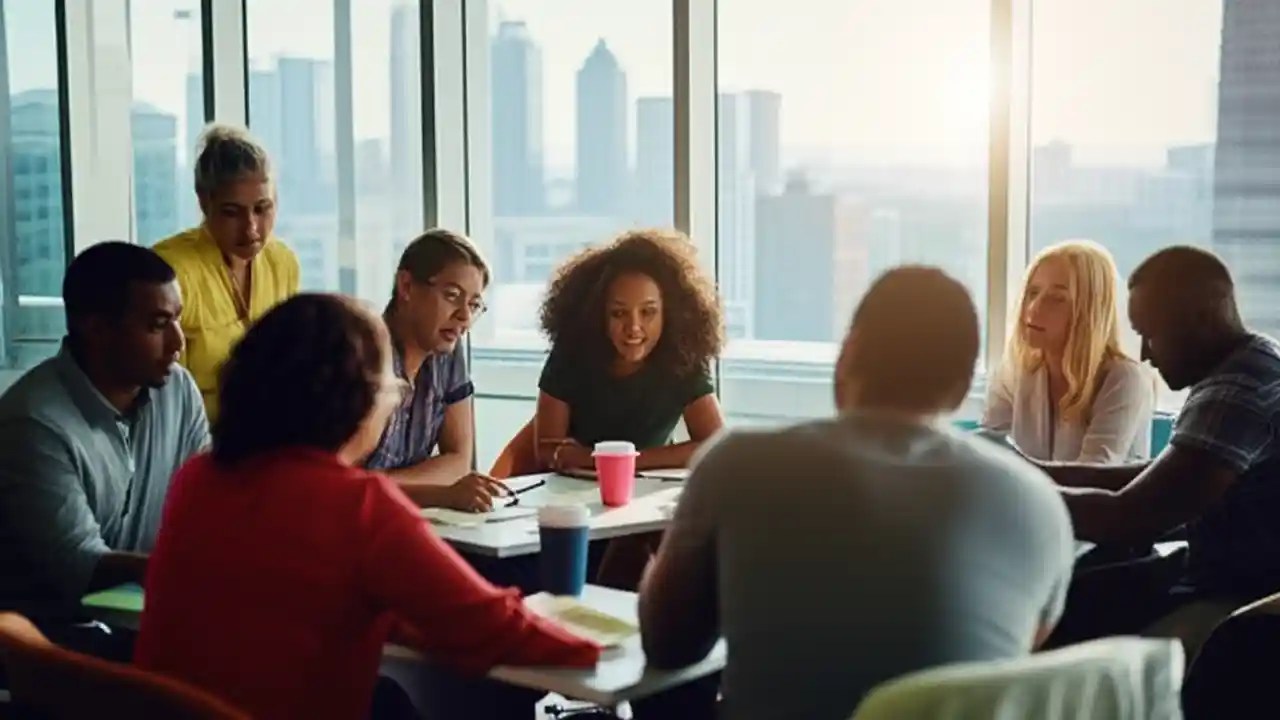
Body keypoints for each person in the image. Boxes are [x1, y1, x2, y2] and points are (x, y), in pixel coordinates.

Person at [134, 294, 599, 720]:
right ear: (356, 398)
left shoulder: (197, 479)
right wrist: (610, 648)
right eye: (389, 383)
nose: (395, 396)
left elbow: (290, 604)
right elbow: (490, 629)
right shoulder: (357, 505)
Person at [639, 267, 1075, 720]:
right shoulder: (1036, 503)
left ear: (849, 353)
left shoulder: (738, 462)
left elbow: (669, 646)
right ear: (964, 385)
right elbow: (1012, 654)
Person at [1034, 246, 1280, 646]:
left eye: (1151, 333)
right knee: (1080, 588)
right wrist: (1029, 470)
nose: (1146, 354)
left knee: (1061, 613)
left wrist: (1011, 492)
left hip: (1236, 589)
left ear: (1202, 320)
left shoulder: (1237, 391)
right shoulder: (1255, 360)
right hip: (1216, 567)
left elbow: (1131, 516)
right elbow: (1159, 477)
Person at [0, 242, 207, 659]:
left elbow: (205, 502)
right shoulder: (33, 423)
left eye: (177, 321)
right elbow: (78, 565)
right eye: (158, 324)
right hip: (51, 647)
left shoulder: (177, 390)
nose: (178, 342)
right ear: (96, 329)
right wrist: (190, 574)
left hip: (136, 627)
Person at [533, 229, 726, 473]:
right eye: (618, 313)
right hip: (573, 493)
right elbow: (547, 451)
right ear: (597, 315)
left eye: (648, 312)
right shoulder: (571, 353)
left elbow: (715, 444)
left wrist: (608, 460)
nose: (633, 328)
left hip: (647, 492)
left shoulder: (683, 357)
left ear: (671, 313)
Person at [153, 123, 299, 421]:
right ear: (204, 201)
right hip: (192, 437)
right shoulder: (172, 271)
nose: (251, 228)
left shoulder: (282, 262)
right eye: (232, 212)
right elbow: (155, 391)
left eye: (262, 208)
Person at [364, 229, 510, 511]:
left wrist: (383, 485)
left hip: (401, 520)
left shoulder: (448, 353)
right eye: (452, 295)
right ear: (406, 286)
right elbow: (341, 488)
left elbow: (458, 460)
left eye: (474, 304)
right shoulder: (362, 357)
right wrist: (437, 494)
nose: (464, 317)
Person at [984, 240, 1154, 463]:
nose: (1034, 307)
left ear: (1088, 311)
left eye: (1057, 299)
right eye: (1032, 292)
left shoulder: (1123, 378)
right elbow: (990, 456)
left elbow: (1092, 476)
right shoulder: (1014, 371)